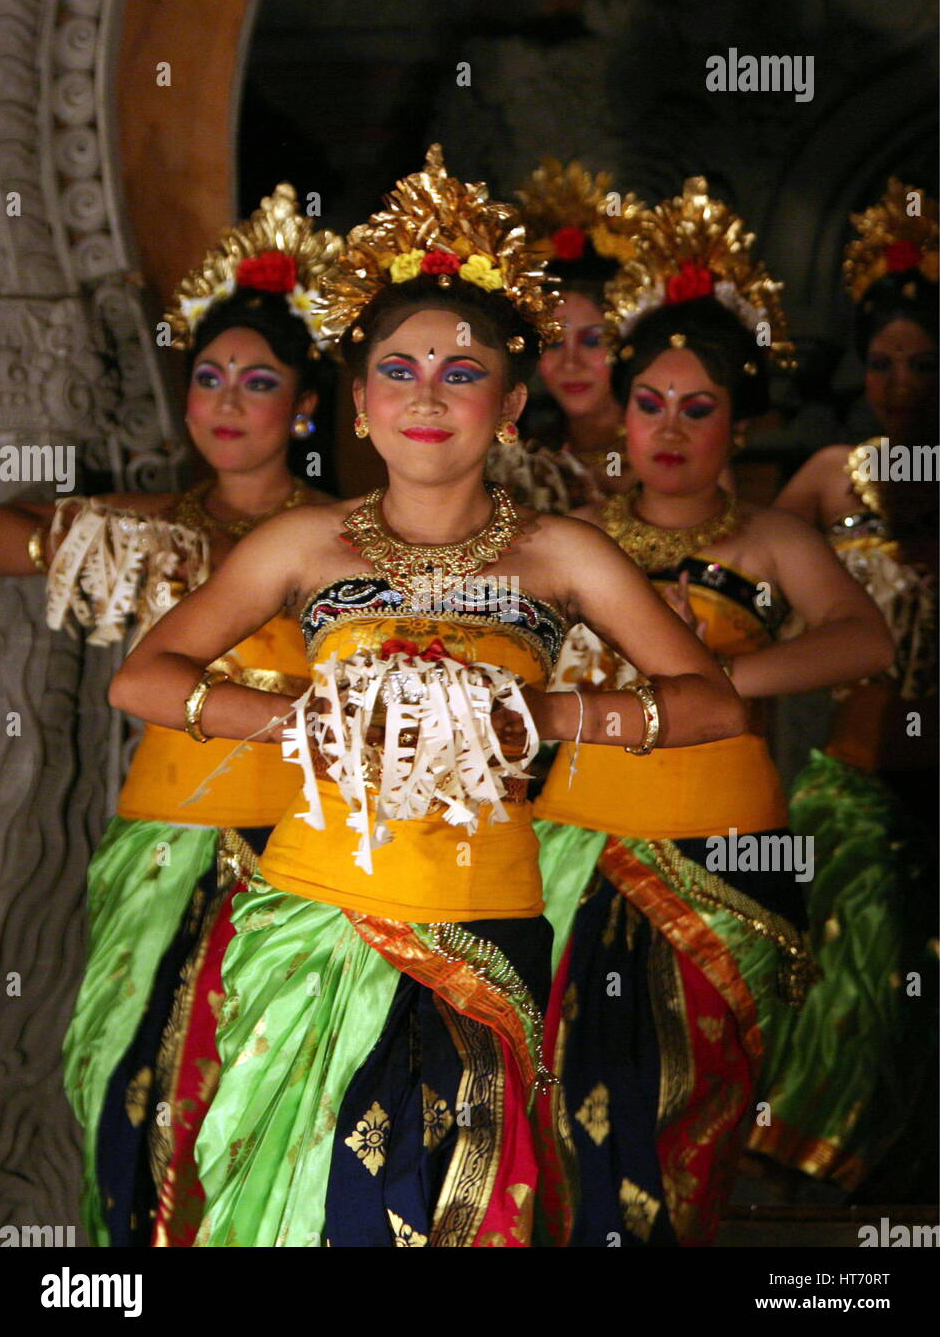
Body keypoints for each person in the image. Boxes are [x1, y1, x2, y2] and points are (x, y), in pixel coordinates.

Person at [108, 145, 746, 1248]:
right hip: (309, 919)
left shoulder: (561, 557)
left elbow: (711, 702)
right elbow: (145, 676)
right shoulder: (304, 544)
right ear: (356, 403)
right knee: (285, 1209)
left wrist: (554, 717)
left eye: (461, 374)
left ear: (507, 406)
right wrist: (297, 718)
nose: (426, 397)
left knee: (454, 1210)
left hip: (480, 929)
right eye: (397, 370)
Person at [530, 177, 896, 1245]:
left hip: (719, 841)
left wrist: (714, 687)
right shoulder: (573, 532)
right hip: (572, 839)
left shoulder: (768, 539)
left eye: (700, 408)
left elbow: (861, 641)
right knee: (565, 1084)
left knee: (684, 1092)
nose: (669, 429)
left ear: (741, 420)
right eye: (648, 403)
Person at [0, 184, 342, 1245]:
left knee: (259, 1110)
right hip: (157, 851)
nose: (227, 402)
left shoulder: (346, 545)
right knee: (124, 1084)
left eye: (261, 382)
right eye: (208, 378)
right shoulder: (147, 532)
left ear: (309, 407)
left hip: (296, 863)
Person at [755, 180, 938, 1196]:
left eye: (922, 362)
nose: (898, 382)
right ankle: (818, 1158)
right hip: (854, 769)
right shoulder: (830, 474)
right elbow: (742, 578)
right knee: (862, 957)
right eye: (880, 362)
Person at [484, 159, 643, 513]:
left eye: (591, 341)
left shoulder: (667, 453)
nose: (571, 363)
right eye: (555, 342)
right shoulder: (521, 459)